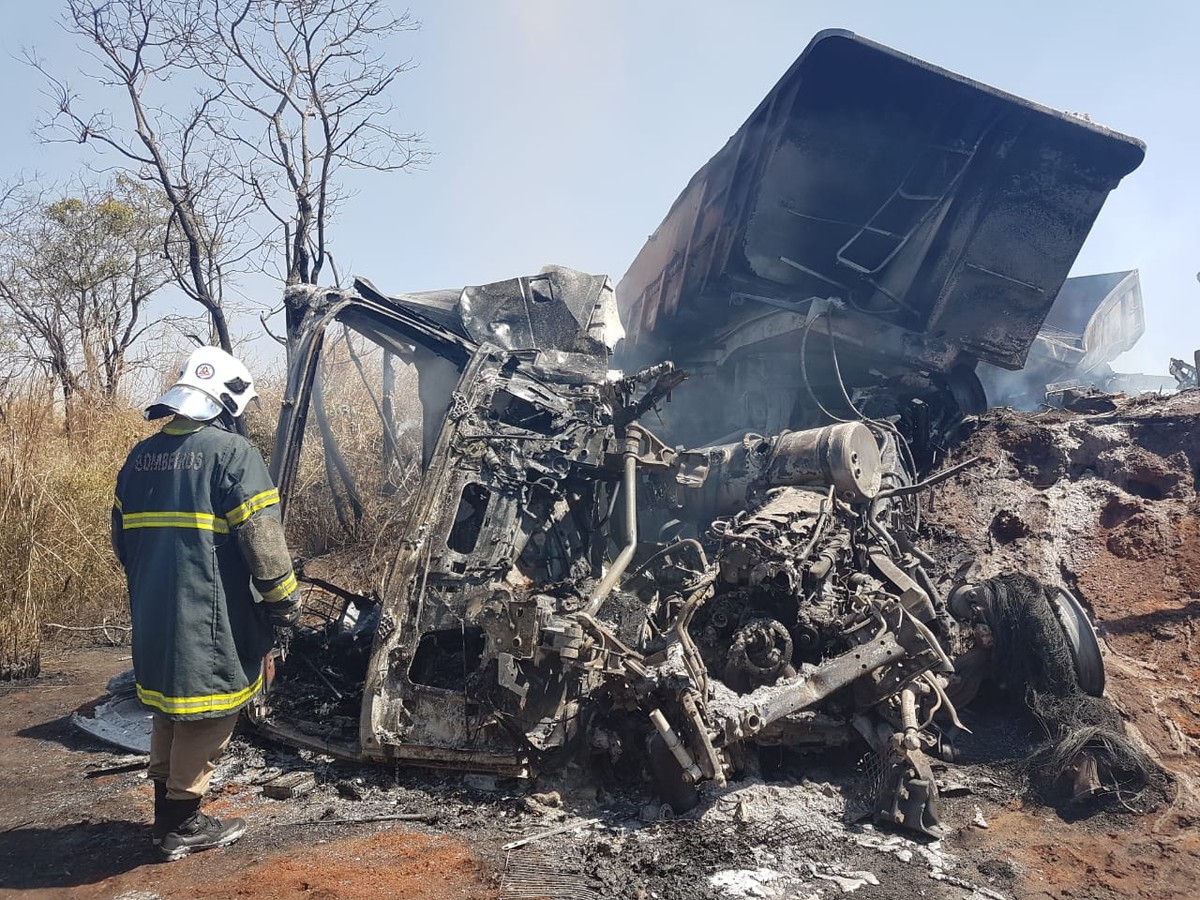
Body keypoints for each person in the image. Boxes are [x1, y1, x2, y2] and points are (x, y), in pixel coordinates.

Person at [112, 346, 300, 861]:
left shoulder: (138, 458)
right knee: (208, 714)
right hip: (210, 615)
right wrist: (284, 605)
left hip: (154, 610)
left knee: (170, 708)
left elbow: (121, 543)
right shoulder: (232, 454)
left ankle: (163, 818)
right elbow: (264, 542)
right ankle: (182, 825)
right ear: (226, 401)